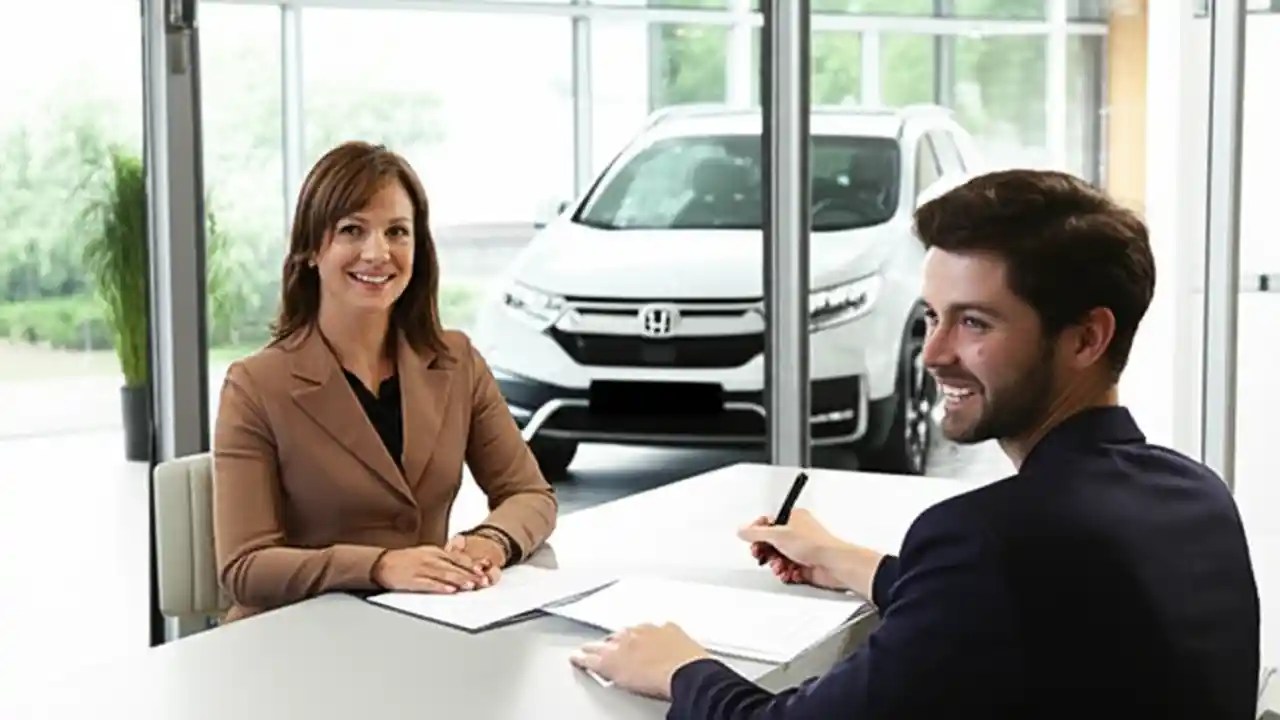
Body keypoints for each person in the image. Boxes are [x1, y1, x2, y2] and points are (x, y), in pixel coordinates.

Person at [571, 169, 1261, 718]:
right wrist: (849, 562)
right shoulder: (1194, 493)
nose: (933, 353)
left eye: (975, 323)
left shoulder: (988, 541)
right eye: (933, 316)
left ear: (1087, 338)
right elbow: (1032, 599)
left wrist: (679, 669)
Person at [213, 141, 557, 623]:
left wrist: (489, 543)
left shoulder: (456, 362)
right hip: (296, 637)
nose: (378, 253)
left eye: (397, 232)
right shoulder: (255, 386)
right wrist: (380, 566)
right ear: (313, 248)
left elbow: (531, 495)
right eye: (352, 230)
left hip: (424, 625)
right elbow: (244, 568)